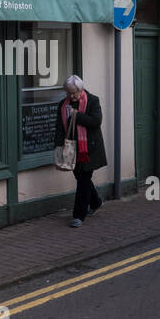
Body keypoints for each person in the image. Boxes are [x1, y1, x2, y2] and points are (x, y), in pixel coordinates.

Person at [54, 75, 107, 227]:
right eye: (68, 93)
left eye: (73, 93)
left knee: (83, 180)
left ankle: (78, 215)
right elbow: (59, 127)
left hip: (88, 149)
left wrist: (77, 116)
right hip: (71, 149)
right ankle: (96, 202)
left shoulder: (92, 101)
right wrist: (58, 145)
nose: (71, 96)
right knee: (81, 178)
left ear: (80, 89)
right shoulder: (63, 105)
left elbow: (96, 122)